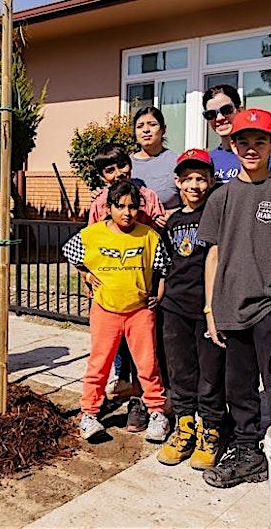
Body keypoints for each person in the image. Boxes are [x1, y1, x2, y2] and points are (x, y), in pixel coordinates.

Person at [197, 108, 271, 488]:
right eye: (243, 142)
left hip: (269, 310)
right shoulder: (220, 197)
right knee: (240, 388)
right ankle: (248, 452)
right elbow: (212, 255)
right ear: (232, 146)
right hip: (230, 308)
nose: (251, 149)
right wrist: (211, 309)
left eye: (259, 142)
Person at [62, 180, 171, 444]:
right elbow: (69, 252)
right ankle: (89, 414)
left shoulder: (148, 235)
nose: (127, 213)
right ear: (108, 207)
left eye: (133, 207)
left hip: (139, 311)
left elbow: (163, 268)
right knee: (99, 364)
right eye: (120, 206)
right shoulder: (92, 235)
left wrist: (158, 294)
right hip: (105, 310)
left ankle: (157, 412)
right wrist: (86, 276)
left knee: (147, 365)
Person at [155, 149, 227, 470]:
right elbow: (166, 262)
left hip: (207, 309)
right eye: (187, 179)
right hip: (175, 307)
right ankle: (184, 425)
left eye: (201, 179)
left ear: (212, 181)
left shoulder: (217, 214)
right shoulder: (173, 220)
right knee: (180, 369)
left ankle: (211, 429)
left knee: (210, 373)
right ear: (177, 182)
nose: (194, 185)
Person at [88, 143, 166, 431]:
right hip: (110, 292)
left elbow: (158, 244)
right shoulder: (99, 203)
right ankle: (115, 394)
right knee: (111, 350)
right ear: (102, 176)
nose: (119, 173)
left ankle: (142, 402)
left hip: (141, 288)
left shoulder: (147, 196)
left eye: (123, 165)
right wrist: (87, 275)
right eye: (110, 170)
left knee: (144, 352)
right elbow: (88, 243)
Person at [201, 84, 271, 182]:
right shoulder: (208, 160)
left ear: (240, 110)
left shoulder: (265, 156)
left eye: (226, 110)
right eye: (211, 114)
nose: (219, 118)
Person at [130, 106, 182, 212]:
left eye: (152, 125)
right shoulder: (125, 165)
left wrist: (173, 215)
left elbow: (192, 201)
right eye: (140, 126)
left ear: (163, 129)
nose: (146, 130)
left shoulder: (176, 162)